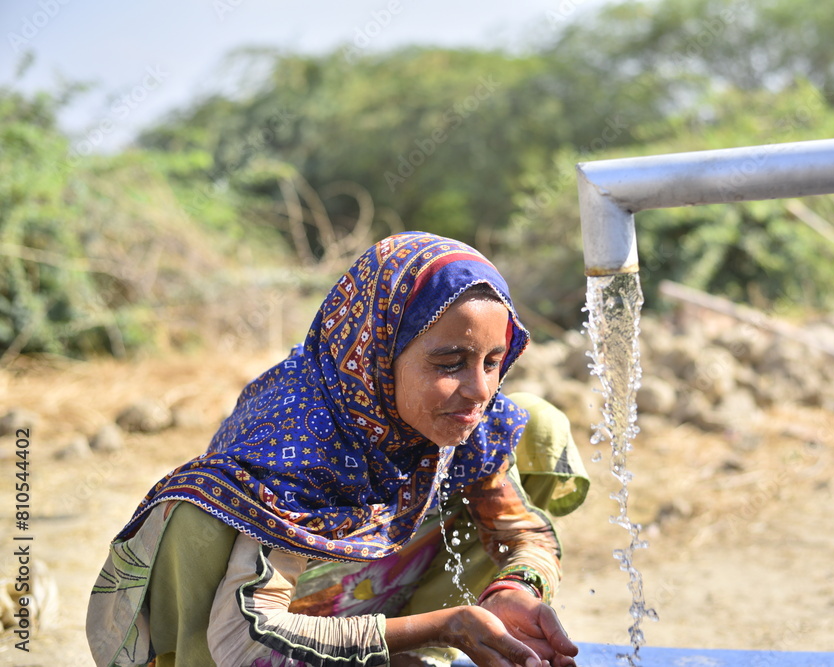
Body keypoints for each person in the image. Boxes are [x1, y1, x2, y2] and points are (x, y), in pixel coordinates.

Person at [87, 232, 590, 667]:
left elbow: (523, 533)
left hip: (372, 615)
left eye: (493, 361)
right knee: (195, 517)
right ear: (377, 351)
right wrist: (443, 626)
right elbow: (242, 643)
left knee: (532, 421)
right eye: (449, 362)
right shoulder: (298, 441)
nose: (480, 389)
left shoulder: (465, 420)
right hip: (266, 646)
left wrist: (514, 591)